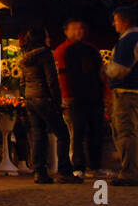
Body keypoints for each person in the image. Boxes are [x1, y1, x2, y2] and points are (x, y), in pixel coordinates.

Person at [19, 27, 82, 183]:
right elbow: (52, 80)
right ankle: (64, 171)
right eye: (47, 36)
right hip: (44, 98)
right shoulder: (45, 54)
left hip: (30, 98)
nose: (49, 39)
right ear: (41, 38)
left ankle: (39, 172)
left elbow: (22, 82)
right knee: (63, 134)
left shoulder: (25, 57)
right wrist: (57, 100)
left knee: (38, 134)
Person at [54, 17, 110, 177]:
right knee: (77, 133)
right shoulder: (62, 51)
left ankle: (95, 165)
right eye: (74, 28)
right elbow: (62, 76)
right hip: (75, 98)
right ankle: (78, 166)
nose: (79, 31)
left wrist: (105, 94)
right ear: (66, 31)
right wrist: (65, 96)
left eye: (81, 28)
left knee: (96, 132)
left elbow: (101, 74)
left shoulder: (92, 49)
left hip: (94, 97)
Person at [106, 6, 138, 186]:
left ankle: (129, 173)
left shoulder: (128, 40)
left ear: (125, 21)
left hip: (127, 92)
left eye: (116, 20)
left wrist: (106, 69)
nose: (114, 23)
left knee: (127, 132)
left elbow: (120, 70)